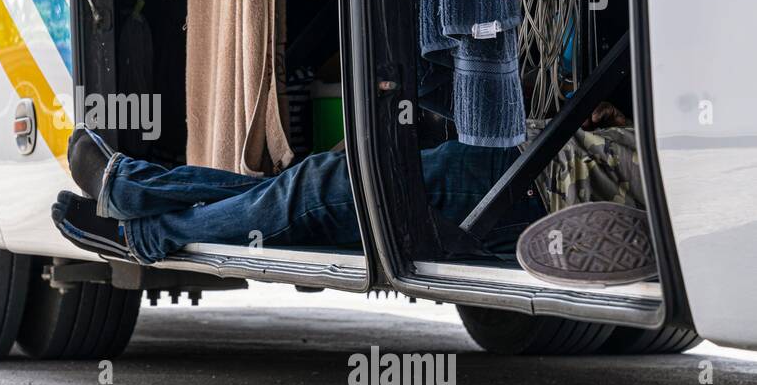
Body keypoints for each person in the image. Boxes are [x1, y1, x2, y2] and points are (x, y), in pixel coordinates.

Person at [52, 127, 542, 265]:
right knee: (314, 183)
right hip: (534, 160)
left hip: (539, 181)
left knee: (315, 186)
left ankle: (135, 212)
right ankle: (133, 205)